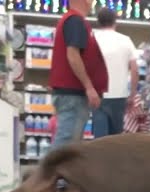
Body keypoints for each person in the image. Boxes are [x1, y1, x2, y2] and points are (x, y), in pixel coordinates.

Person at [48, 0, 107, 149]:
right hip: (72, 95)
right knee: (64, 147)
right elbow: (73, 55)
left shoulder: (72, 20)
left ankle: (52, 171)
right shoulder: (75, 21)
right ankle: (47, 172)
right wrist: (89, 87)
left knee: (69, 145)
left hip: (71, 94)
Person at [90, 8, 139, 138]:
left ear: (98, 22)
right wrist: (132, 95)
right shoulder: (126, 40)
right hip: (119, 96)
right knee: (115, 139)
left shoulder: (92, 39)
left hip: (98, 95)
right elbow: (135, 69)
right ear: (115, 21)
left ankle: (100, 158)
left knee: (100, 140)